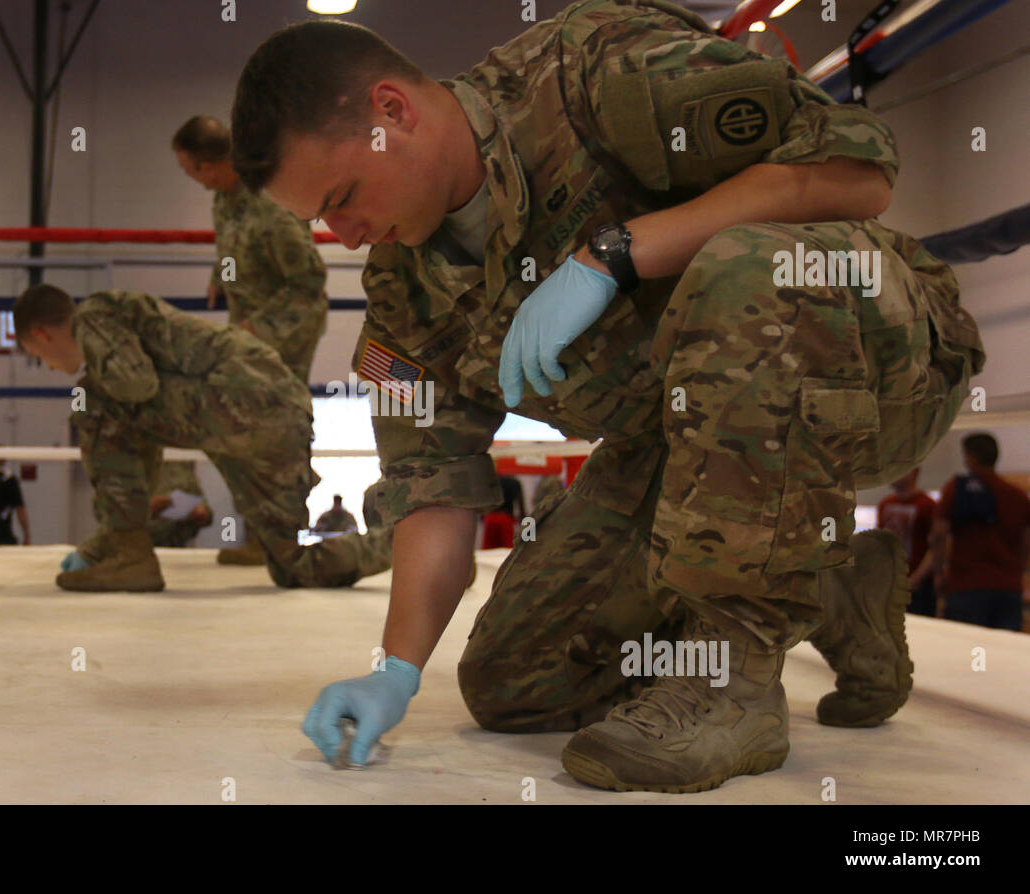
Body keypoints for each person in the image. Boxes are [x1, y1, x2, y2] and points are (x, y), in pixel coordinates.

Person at [233, 5, 984, 791]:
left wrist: (618, 254)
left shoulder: (592, 69)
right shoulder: (399, 303)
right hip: (688, 447)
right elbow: (434, 491)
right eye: (321, 220)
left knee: (745, 270)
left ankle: (734, 681)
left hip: (879, 364)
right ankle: (826, 579)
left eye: (343, 196)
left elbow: (858, 173)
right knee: (515, 682)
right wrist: (393, 671)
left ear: (393, 111)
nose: (344, 234)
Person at [14, 284, 392, 592]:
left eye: (38, 355)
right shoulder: (116, 315)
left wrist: (116, 532)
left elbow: (136, 386)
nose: (49, 365)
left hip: (238, 408)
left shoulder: (92, 317)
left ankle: (130, 553)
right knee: (295, 567)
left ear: (41, 334)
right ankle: (404, 541)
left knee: (93, 400)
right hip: (278, 414)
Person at [174, 115, 329, 383]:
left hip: (286, 331)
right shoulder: (225, 196)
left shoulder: (271, 205)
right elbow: (231, 245)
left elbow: (309, 282)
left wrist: (257, 328)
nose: (191, 178)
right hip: (247, 330)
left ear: (208, 167)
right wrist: (220, 276)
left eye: (189, 169)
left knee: (282, 416)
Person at [931, 433, 1030, 631]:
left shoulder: (957, 489)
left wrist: (939, 572)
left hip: (966, 584)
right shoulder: (1017, 496)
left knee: (966, 651)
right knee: (1004, 651)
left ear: (971, 457)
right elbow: (1026, 542)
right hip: (1007, 587)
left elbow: (939, 534)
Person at [877, 468, 937, 616]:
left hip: (917, 586)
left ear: (913, 472)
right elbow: (879, 545)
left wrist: (915, 579)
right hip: (891, 584)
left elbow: (935, 548)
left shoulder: (927, 505)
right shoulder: (885, 504)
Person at [147, 460, 214, 548]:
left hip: (172, 547)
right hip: (144, 543)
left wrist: (201, 512)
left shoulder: (177, 464)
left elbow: (203, 512)